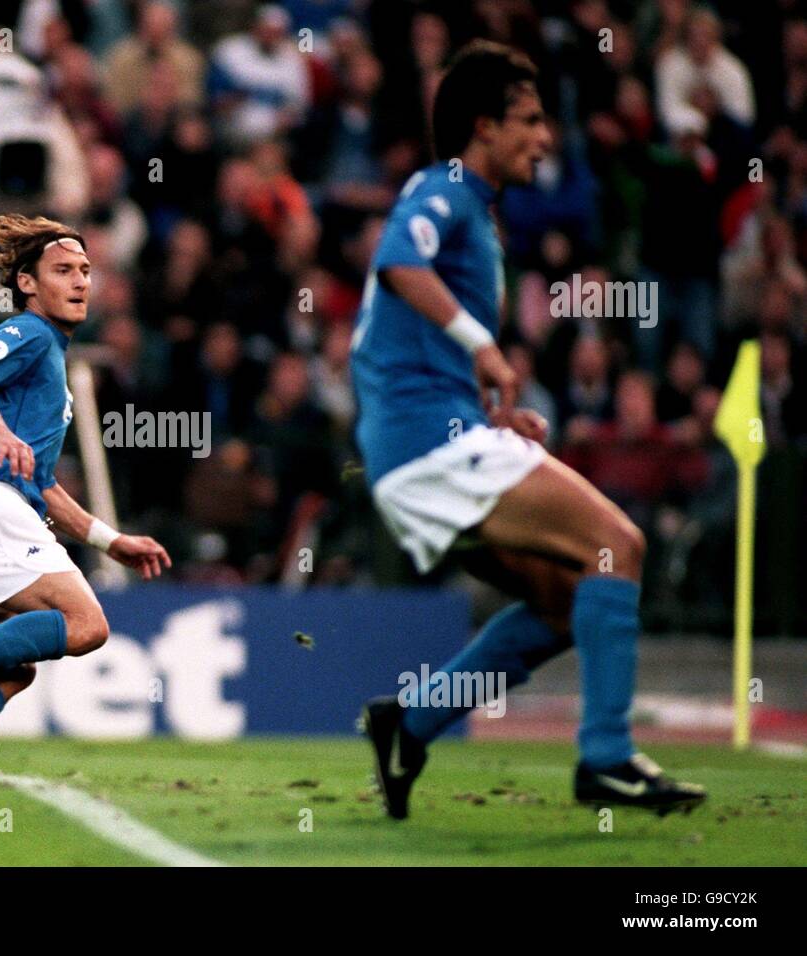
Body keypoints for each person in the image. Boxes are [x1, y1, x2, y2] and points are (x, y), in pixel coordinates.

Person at [349, 42, 705, 819]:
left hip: (422, 444)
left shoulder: (470, 208)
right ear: (485, 126)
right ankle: (606, 757)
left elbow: (406, 336)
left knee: (562, 598)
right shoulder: (446, 188)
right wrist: (488, 351)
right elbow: (396, 265)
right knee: (620, 547)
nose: (545, 139)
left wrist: (489, 406)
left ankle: (410, 724)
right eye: (531, 121)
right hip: (428, 447)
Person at [0, 213, 171, 768]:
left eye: (86, 271)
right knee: (86, 626)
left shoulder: (50, 358)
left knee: (15, 668)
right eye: (63, 270)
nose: (80, 281)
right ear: (27, 284)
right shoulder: (30, 332)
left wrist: (112, 542)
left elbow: (44, 487)